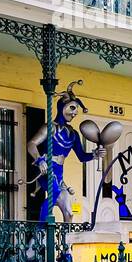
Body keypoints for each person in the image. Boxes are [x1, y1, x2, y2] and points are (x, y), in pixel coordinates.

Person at [26, 81, 104, 225]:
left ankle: (65, 244)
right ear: (62, 107)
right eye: (72, 108)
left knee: (68, 209)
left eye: (76, 110)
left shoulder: (73, 134)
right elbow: (31, 144)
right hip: (46, 169)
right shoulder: (49, 127)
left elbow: (81, 156)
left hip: (59, 173)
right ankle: (40, 233)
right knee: (54, 193)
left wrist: (95, 154)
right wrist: (40, 160)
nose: (74, 112)